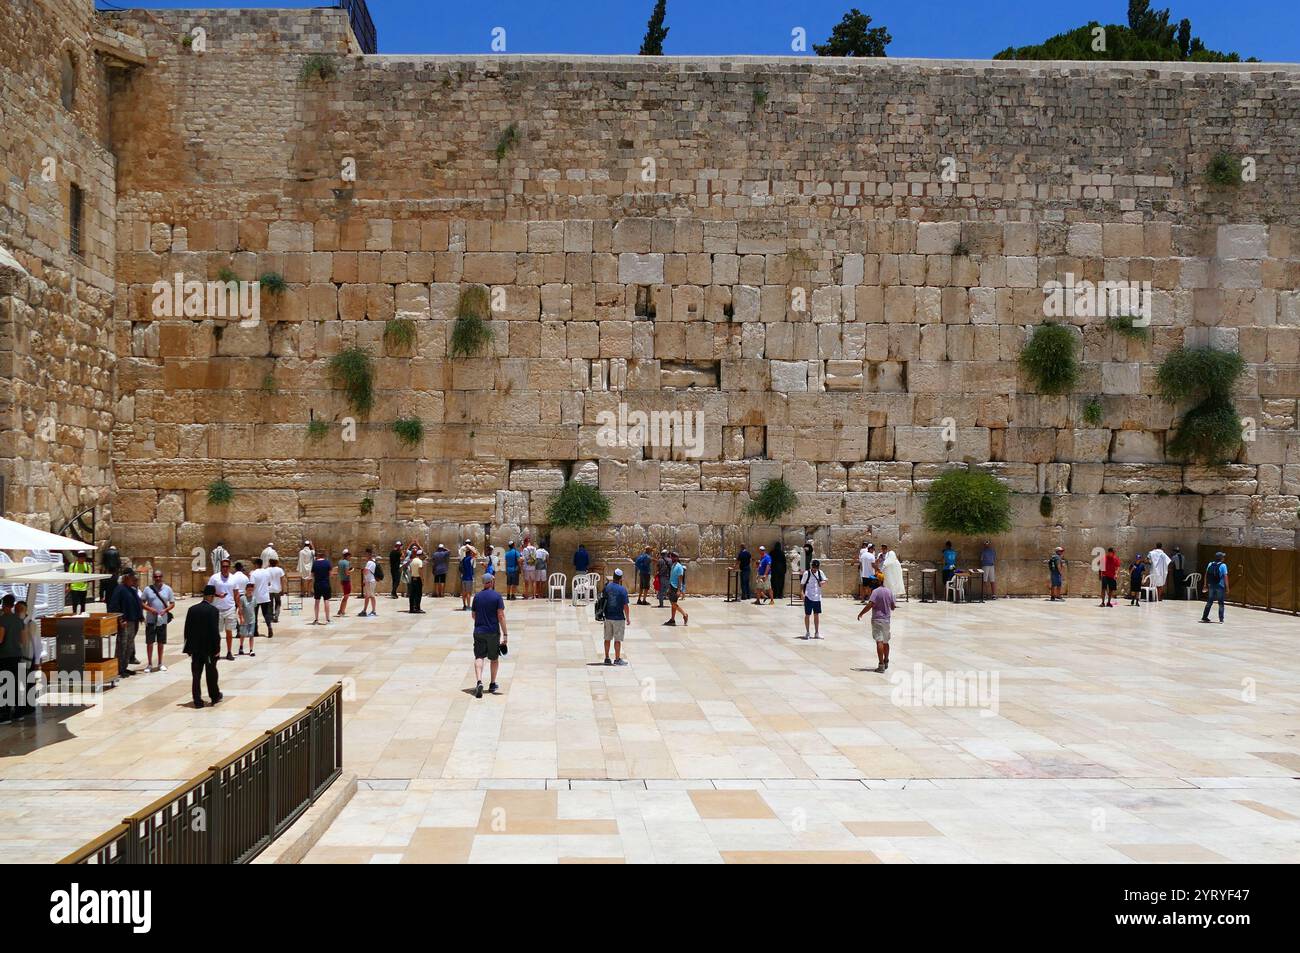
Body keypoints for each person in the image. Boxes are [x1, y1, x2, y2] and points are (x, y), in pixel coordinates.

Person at [469, 573, 508, 698]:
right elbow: (501, 616)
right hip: (492, 632)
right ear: (491, 582)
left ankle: (479, 681)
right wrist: (505, 634)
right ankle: (492, 684)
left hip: (479, 631)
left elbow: (473, 615)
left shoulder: (477, 597)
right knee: (494, 658)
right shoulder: (497, 597)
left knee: (479, 657)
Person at [183, 585, 222, 708]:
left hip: (195, 649)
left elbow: (187, 630)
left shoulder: (192, 609)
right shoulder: (213, 611)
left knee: (196, 675)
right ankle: (214, 696)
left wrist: (188, 648)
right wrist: (217, 648)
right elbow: (215, 632)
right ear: (210, 596)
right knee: (211, 673)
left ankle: (197, 700)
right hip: (209, 650)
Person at [107, 568, 144, 678]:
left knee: (129, 646)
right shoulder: (120, 589)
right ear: (126, 578)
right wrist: (120, 620)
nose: (134, 579)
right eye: (132, 577)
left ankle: (124, 667)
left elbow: (138, 603)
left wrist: (140, 616)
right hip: (125, 622)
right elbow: (114, 606)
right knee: (122, 646)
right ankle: (118, 669)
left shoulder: (131, 589)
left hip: (133, 622)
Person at [857, 576, 897, 673]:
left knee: (879, 641)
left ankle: (881, 665)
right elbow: (893, 607)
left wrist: (861, 613)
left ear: (878, 581)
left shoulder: (875, 592)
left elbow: (870, 604)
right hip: (887, 620)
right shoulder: (889, 591)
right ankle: (886, 660)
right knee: (886, 642)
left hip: (877, 619)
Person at [141, 569, 175, 673]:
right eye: (156, 577)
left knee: (161, 642)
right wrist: (151, 610)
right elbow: (142, 603)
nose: (158, 579)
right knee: (150, 642)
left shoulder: (168, 589)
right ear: (153, 578)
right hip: (151, 620)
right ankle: (150, 664)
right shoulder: (147, 589)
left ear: (162, 577)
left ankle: (160, 663)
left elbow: (172, 603)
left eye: (159, 576)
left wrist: (165, 610)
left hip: (162, 620)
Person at [207, 558, 240, 660]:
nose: (225, 568)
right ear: (221, 567)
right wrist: (218, 595)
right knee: (216, 633)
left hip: (230, 608)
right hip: (217, 609)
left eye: (227, 566)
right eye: (223, 566)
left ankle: (229, 652)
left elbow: (236, 593)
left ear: (229, 567)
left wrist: (238, 607)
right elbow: (208, 591)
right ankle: (216, 652)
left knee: (229, 632)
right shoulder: (214, 578)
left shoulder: (233, 578)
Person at [0, 595, 26, 722]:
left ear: (4, 604)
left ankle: (5, 715)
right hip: (17, 655)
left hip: (5, 656)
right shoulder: (18, 620)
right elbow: (23, 640)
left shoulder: (3, 620)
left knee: (5, 685)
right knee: (16, 684)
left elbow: (0, 639)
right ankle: (18, 713)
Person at [602, 568, 631, 666]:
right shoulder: (622, 590)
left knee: (607, 638)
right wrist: (627, 618)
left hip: (608, 616)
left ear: (613, 576)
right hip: (618, 618)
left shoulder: (607, 587)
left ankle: (606, 658)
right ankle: (617, 659)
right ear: (620, 579)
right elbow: (625, 606)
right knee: (617, 640)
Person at [800, 558, 827, 639]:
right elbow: (802, 584)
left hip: (817, 597)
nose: (815, 569)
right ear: (811, 566)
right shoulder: (806, 573)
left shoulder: (820, 572)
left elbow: (825, 580)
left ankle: (816, 633)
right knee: (807, 615)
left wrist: (823, 582)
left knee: (816, 615)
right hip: (808, 596)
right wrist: (802, 593)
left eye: (816, 568)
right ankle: (807, 632)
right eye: (814, 567)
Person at [1200, 552, 1229, 624]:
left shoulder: (1210, 564)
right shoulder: (1223, 565)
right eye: (1223, 557)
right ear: (1221, 558)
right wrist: (1227, 587)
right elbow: (1225, 577)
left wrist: (1205, 585)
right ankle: (1221, 619)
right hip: (1220, 586)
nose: (1224, 558)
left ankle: (1204, 617)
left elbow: (1206, 575)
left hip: (1211, 585)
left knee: (1209, 602)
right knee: (1221, 603)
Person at [664, 552, 689, 626]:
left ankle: (684, 615)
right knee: (673, 604)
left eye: (672, 557)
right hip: (671, 586)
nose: (671, 558)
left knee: (673, 604)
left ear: (676, 558)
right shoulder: (673, 565)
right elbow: (672, 577)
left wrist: (679, 590)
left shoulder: (679, 567)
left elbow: (680, 579)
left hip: (675, 587)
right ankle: (672, 619)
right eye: (671, 557)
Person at [310, 547, 333, 625]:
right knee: (326, 600)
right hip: (326, 584)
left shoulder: (315, 563)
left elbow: (312, 575)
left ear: (318, 555)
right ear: (324, 555)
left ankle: (316, 619)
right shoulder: (327, 563)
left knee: (317, 601)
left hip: (317, 584)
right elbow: (330, 574)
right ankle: (328, 619)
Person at [237, 583, 257, 657]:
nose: (250, 591)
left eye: (251, 590)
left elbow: (254, 608)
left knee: (251, 635)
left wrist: (254, 618)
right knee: (243, 634)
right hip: (244, 620)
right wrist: (241, 617)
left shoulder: (254, 598)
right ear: (246, 590)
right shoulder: (242, 598)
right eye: (249, 590)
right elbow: (240, 609)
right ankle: (241, 647)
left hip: (252, 619)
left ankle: (251, 650)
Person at [360, 547, 378, 618]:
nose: (365, 556)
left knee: (371, 596)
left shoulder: (370, 562)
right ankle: (364, 610)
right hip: (368, 581)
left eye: (366, 554)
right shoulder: (370, 562)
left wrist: (363, 570)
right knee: (367, 596)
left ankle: (373, 611)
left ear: (369, 554)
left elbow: (366, 571)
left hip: (370, 581)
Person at [267, 557, 285, 623]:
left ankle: (271, 616)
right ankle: (276, 616)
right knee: (278, 603)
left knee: (270, 604)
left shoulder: (267, 570)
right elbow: (282, 580)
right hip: (277, 589)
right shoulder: (280, 570)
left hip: (269, 589)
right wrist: (283, 589)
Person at [408, 549, 425, 613]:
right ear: (421, 555)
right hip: (418, 579)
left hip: (412, 578)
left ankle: (411, 608)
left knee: (412, 594)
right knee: (418, 594)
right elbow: (420, 571)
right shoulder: (420, 561)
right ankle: (417, 608)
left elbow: (410, 570)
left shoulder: (412, 561)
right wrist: (422, 579)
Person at [337, 548, 353, 616]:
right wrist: (352, 571)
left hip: (342, 580)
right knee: (346, 597)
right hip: (346, 581)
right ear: (347, 556)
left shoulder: (340, 562)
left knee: (345, 596)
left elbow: (339, 571)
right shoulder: (347, 562)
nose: (350, 557)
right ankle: (342, 611)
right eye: (349, 556)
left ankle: (340, 610)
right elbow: (347, 573)